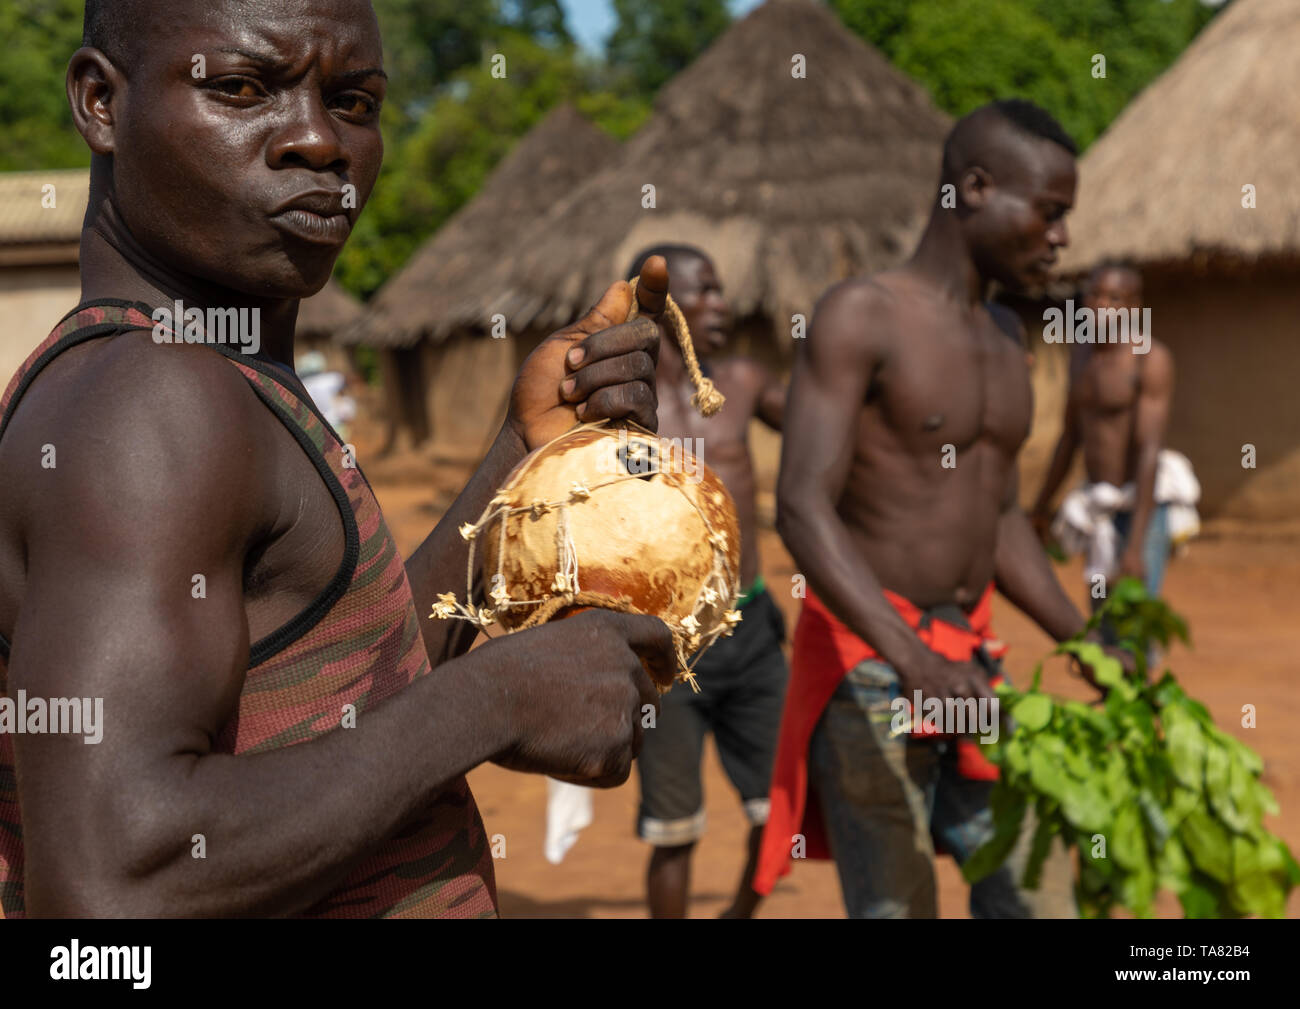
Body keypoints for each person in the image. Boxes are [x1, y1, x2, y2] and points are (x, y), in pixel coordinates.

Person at [0, 0, 678, 919]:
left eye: (354, 102)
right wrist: (495, 701)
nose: (319, 142)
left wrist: (520, 458)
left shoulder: (221, 375)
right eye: (242, 88)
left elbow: (342, 694)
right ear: (99, 103)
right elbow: (112, 881)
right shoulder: (153, 400)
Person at [757, 99, 1112, 918]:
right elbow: (803, 505)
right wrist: (915, 660)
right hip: (875, 667)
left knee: (1041, 898)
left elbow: (1001, 519)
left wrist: (1085, 643)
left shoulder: (1001, 336)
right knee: (897, 908)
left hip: (971, 665)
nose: (1062, 237)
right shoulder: (861, 315)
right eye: (1051, 213)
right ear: (977, 189)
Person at [621, 244, 788, 919]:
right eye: (706, 292)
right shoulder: (615, 407)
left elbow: (826, 422)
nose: (722, 305)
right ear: (660, 304)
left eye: (722, 292)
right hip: (666, 644)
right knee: (675, 829)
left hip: (750, 629)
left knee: (778, 812)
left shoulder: (743, 382)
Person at [1030, 262, 1198, 615]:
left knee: (1134, 624)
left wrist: (1135, 547)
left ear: (1135, 307)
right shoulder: (1081, 355)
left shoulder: (1149, 359)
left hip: (1142, 508)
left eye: (1114, 297)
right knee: (1101, 615)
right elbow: (1071, 435)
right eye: (1093, 294)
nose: (1100, 304)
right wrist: (1041, 507)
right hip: (1099, 506)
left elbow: (1148, 448)